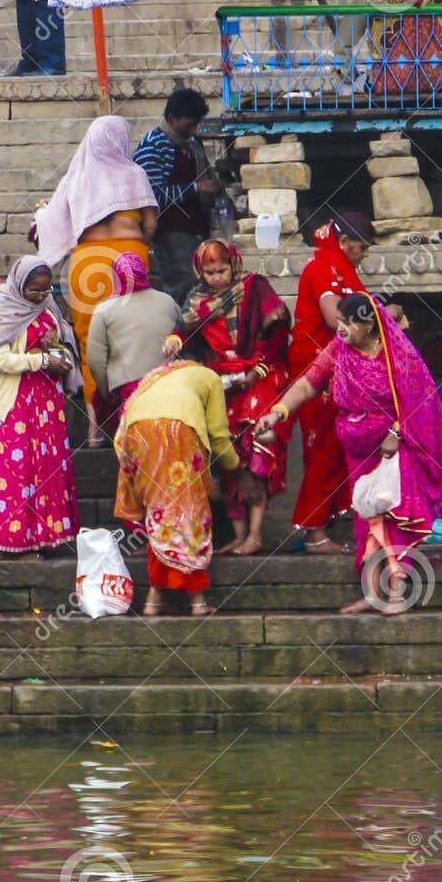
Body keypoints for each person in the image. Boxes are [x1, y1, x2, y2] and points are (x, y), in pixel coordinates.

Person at [257, 294, 442, 615]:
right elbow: (308, 384)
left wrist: (396, 432)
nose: (341, 330)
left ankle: (398, 593)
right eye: (340, 323)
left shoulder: (396, 353)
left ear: (369, 324)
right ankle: (373, 594)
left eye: (348, 324)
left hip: (395, 450)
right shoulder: (338, 350)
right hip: (358, 451)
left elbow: (420, 400)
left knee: (391, 519)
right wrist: (277, 411)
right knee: (367, 522)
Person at [34, 114, 157, 446]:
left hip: (87, 263)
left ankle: (93, 430)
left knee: (91, 346)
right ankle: (129, 421)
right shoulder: (135, 174)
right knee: (129, 340)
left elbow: (52, 221)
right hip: (129, 259)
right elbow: (150, 228)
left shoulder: (78, 178)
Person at [165, 239, 291, 556]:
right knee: (227, 457)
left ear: (234, 265)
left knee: (257, 449)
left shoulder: (255, 287)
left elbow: (278, 332)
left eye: (222, 270)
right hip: (220, 383)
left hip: (257, 378)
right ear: (200, 272)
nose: (217, 278)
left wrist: (258, 370)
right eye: (209, 273)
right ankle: (238, 535)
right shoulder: (196, 301)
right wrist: (173, 339)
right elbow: (183, 330)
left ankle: (256, 534)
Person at [0, 256, 81, 555]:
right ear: (20, 285)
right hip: (16, 403)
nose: (41, 297)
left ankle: (48, 538)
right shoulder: (3, 309)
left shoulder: (49, 308)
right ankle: (13, 542)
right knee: (17, 469)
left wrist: (58, 355)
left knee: (47, 468)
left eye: (46, 291)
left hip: (47, 403)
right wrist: (41, 360)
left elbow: (65, 346)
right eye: (34, 291)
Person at [114, 361, 240, 617]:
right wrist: (236, 464)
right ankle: (198, 601)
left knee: (160, 514)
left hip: (135, 434)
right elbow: (218, 435)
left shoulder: (155, 374)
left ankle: (154, 599)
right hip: (178, 432)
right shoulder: (211, 377)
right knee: (188, 513)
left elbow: (124, 420)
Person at [288, 213, 372, 554]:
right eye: (361, 247)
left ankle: (328, 524)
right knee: (324, 446)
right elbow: (332, 315)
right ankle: (315, 533)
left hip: (339, 367)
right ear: (344, 243)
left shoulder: (343, 270)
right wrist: (381, 317)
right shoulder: (322, 267)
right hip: (317, 368)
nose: (364, 254)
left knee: (339, 444)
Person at [133, 88, 216, 303]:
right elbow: (152, 196)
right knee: (185, 288)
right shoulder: (154, 145)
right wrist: (196, 188)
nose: (194, 129)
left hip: (195, 229)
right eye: (189, 124)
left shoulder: (191, 143)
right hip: (170, 234)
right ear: (172, 118)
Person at [85, 251, 178, 438]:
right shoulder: (168, 301)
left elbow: (95, 361)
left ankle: (97, 438)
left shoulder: (105, 309)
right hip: (169, 385)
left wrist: (106, 391)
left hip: (129, 390)